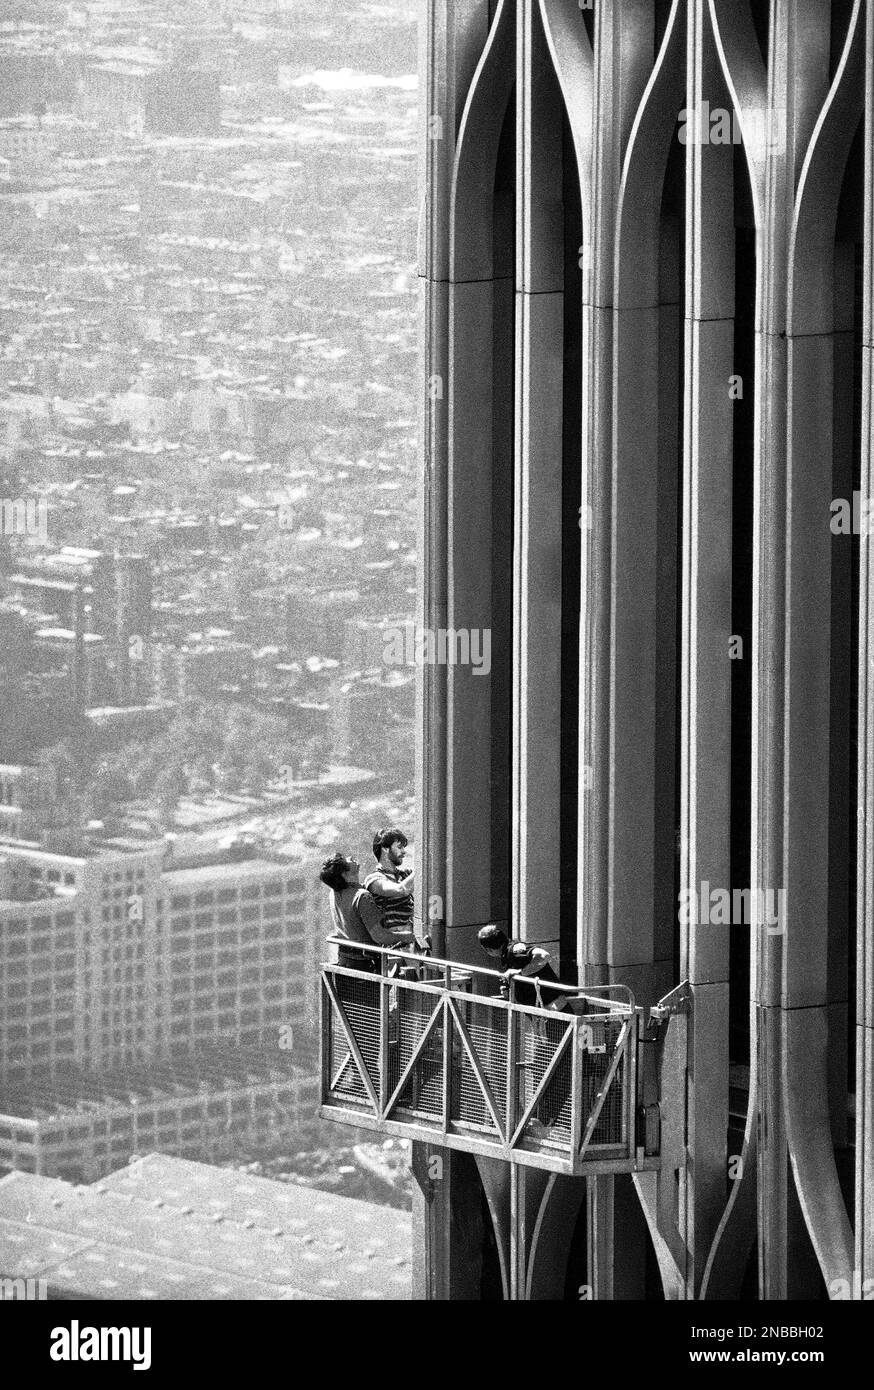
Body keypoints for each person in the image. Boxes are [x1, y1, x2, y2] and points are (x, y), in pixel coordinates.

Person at [319, 852, 416, 972]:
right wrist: (406, 936)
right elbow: (380, 936)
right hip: (365, 965)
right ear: (344, 874)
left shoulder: (334, 893)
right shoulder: (362, 897)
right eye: (346, 860)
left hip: (345, 960)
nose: (350, 857)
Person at [477, 925, 562, 1006]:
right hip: (538, 1008)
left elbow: (544, 955)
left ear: (488, 950)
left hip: (551, 1006)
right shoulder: (505, 954)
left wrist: (521, 972)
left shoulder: (514, 950)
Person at [364, 827, 416, 936]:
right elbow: (401, 890)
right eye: (399, 847)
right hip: (393, 947)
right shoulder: (374, 879)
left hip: (412, 943)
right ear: (385, 849)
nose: (403, 851)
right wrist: (422, 866)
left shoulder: (405, 874)